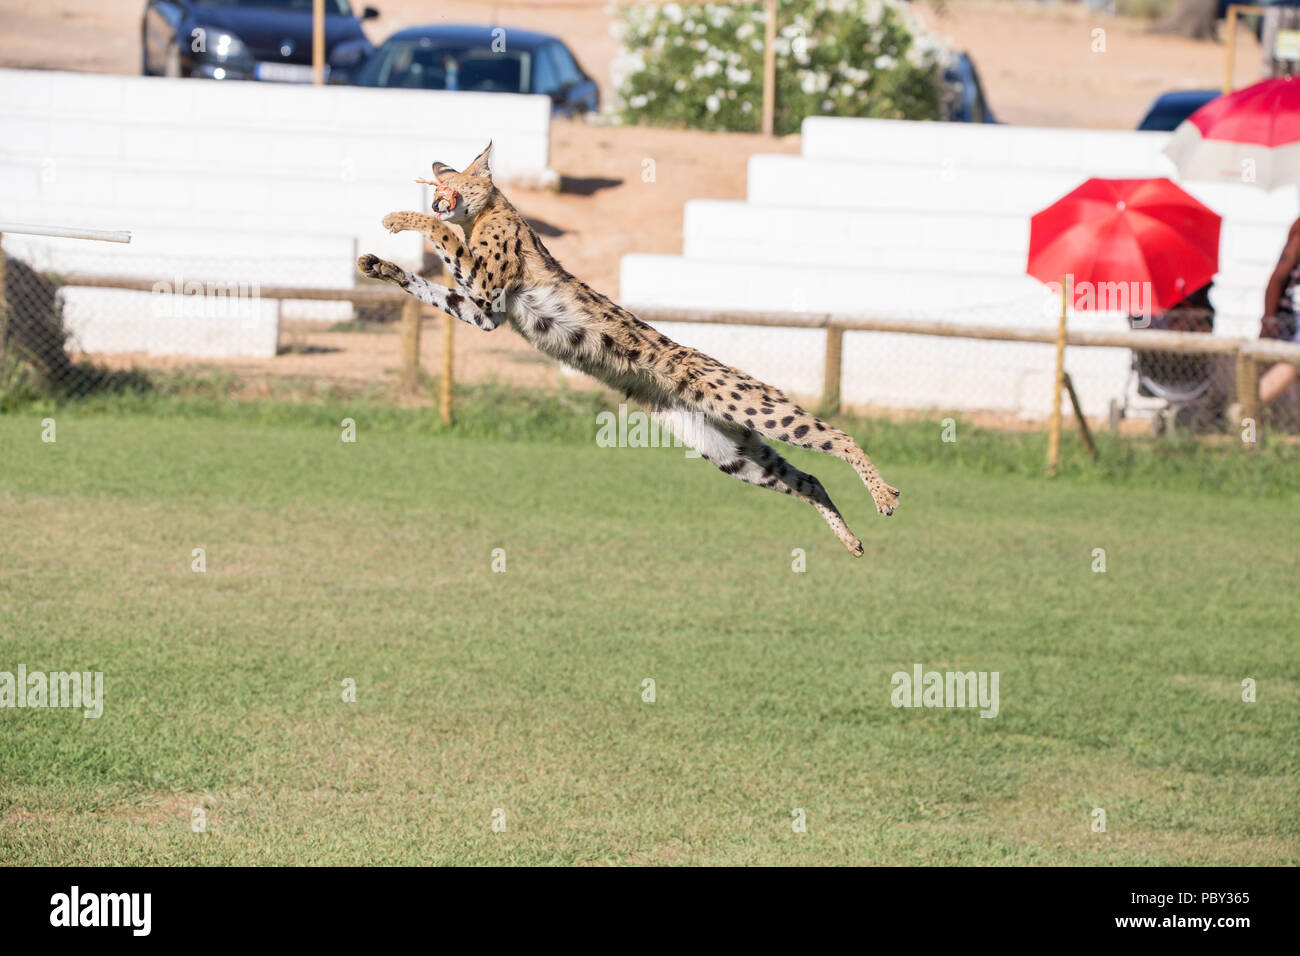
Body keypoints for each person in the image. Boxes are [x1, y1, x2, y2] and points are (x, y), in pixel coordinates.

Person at [1259, 216, 1300, 407]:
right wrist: (1268, 319)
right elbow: (1277, 278)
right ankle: (1244, 411)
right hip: (1290, 317)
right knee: (1291, 360)